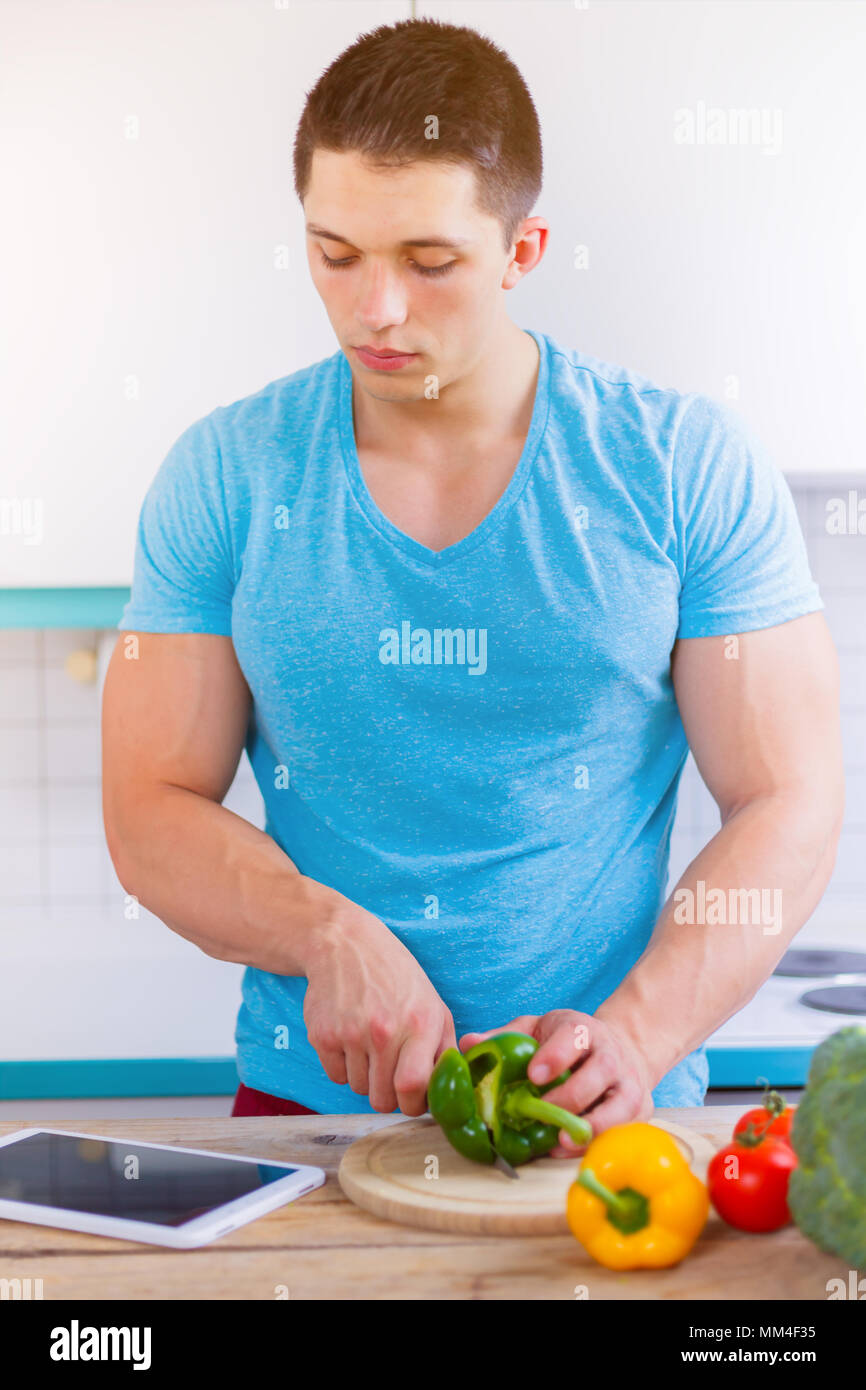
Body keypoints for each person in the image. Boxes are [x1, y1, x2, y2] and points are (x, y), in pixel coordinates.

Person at [102, 18, 843, 1152]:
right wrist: (325, 934)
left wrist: (635, 1037)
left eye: (428, 262)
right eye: (335, 253)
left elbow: (786, 798)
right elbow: (149, 805)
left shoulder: (679, 462)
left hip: (613, 1117)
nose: (375, 309)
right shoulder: (227, 475)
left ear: (522, 250)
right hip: (309, 1118)